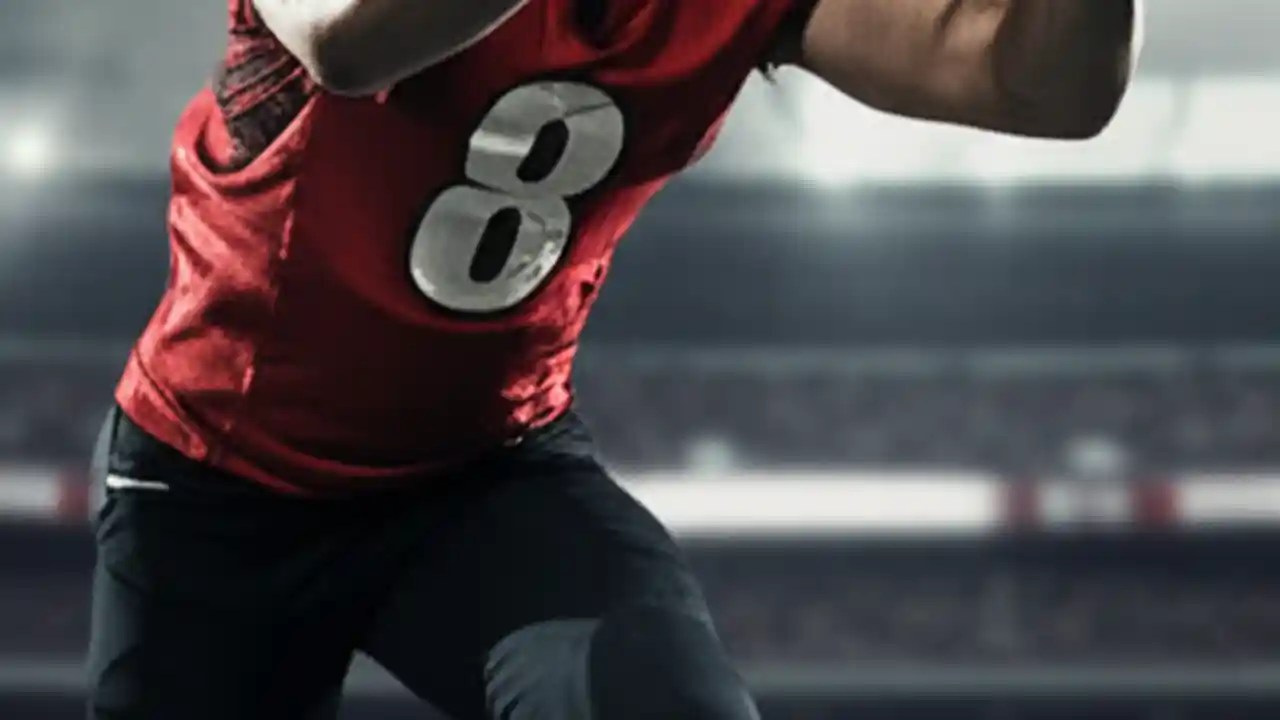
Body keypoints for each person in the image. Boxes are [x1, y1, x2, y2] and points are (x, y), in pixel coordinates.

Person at [87, 1, 1140, 717]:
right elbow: (351, 36)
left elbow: (1039, 84)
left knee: (662, 698)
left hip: (480, 474)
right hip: (213, 479)